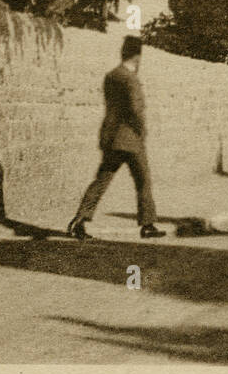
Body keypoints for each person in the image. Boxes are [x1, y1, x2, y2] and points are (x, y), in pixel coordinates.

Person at [68, 35, 166, 240]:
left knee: (102, 179)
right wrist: (142, 131)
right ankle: (147, 225)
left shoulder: (111, 75)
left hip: (111, 137)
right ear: (138, 56)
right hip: (130, 139)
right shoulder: (131, 79)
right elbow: (136, 109)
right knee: (143, 180)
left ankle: (79, 220)